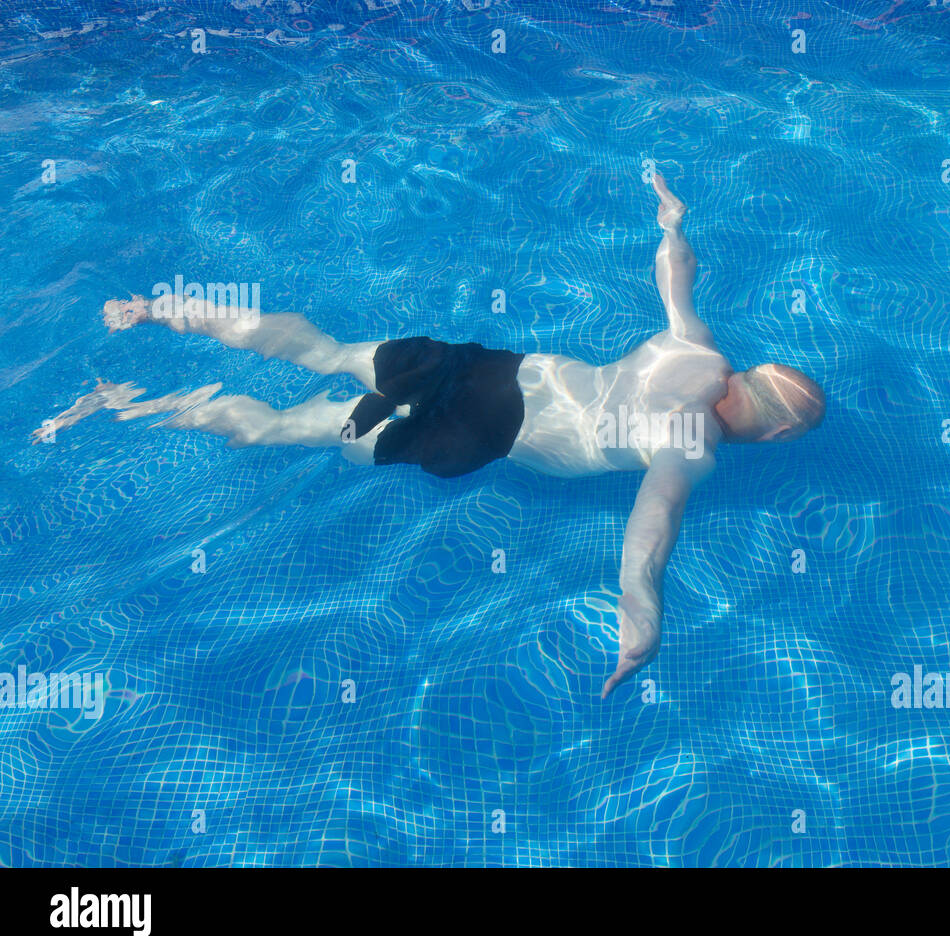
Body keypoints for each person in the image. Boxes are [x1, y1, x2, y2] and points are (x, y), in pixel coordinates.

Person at [42, 175, 826, 697]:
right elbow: (647, 535)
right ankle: (131, 403)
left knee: (330, 352)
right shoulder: (693, 448)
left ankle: (158, 309)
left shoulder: (699, 351)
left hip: (493, 369)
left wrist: (671, 219)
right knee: (293, 427)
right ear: (782, 432)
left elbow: (675, 273)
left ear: (752, 374)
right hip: (479, 433)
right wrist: (641, 616)